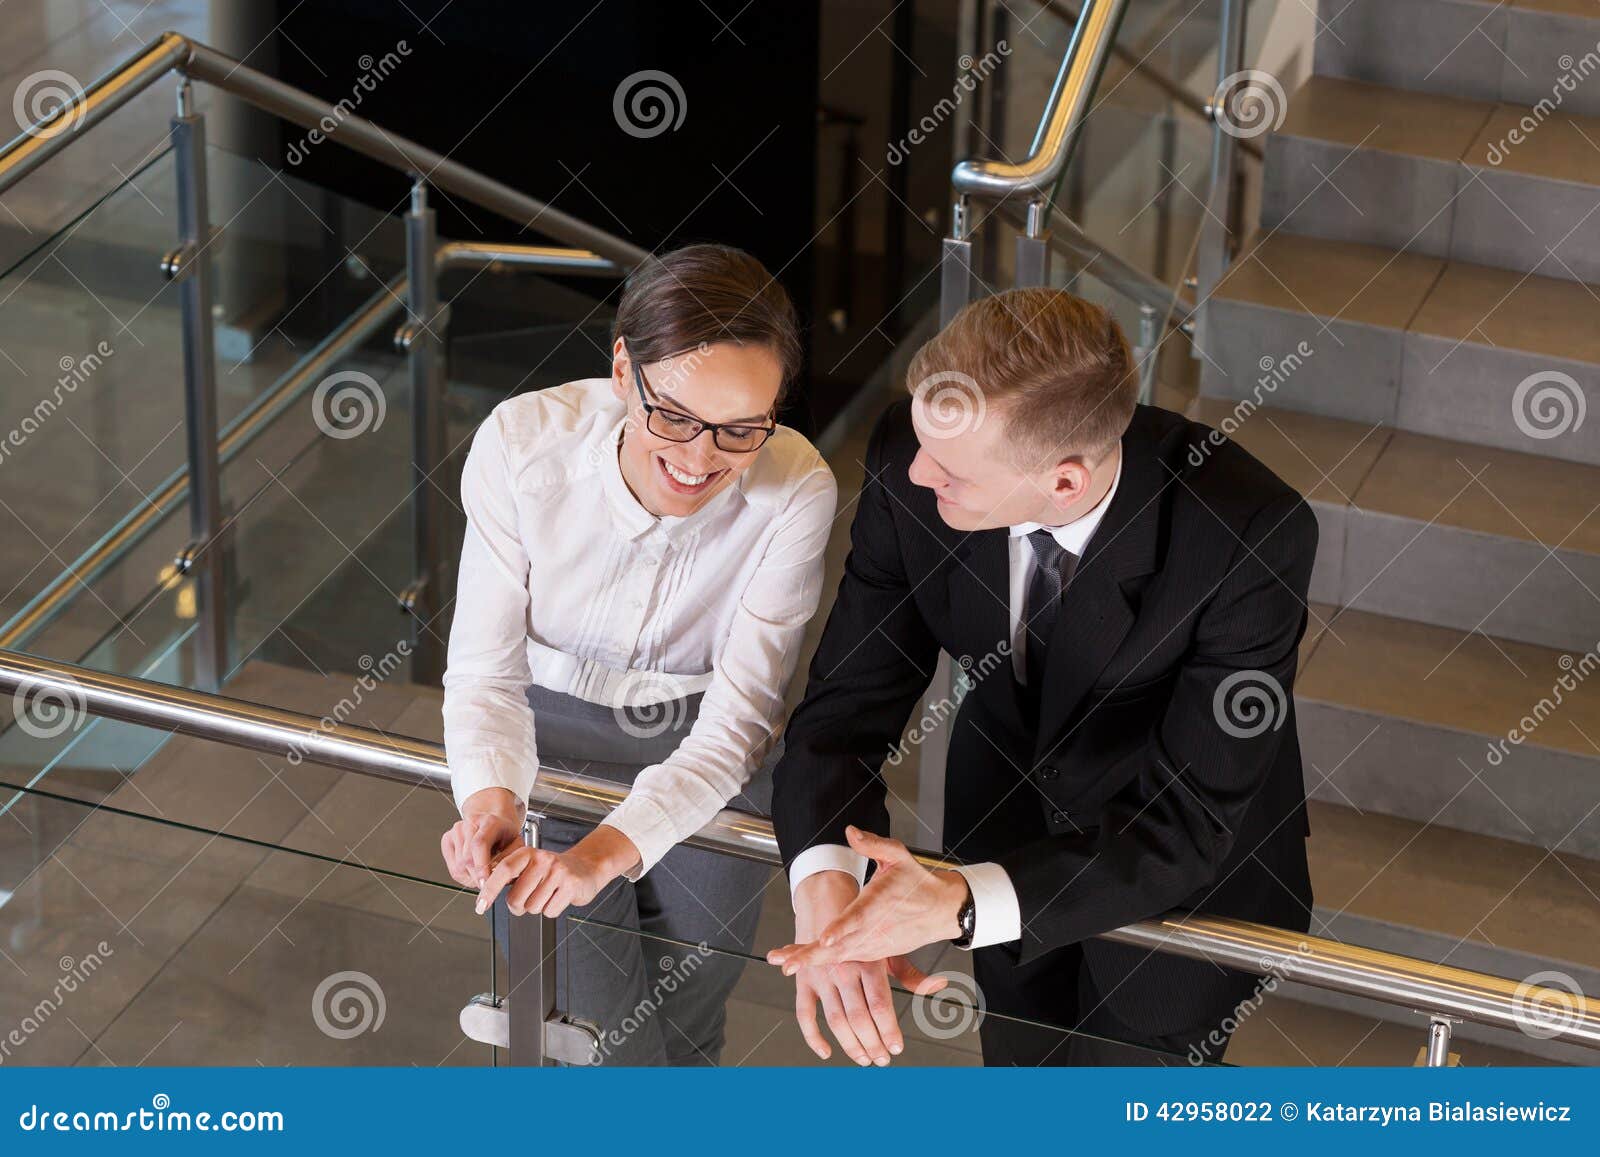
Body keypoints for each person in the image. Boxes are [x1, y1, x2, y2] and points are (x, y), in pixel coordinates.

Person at [765, 287, 1319, 1067]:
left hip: (1179, 887)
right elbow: (844, 710)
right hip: (1005, 824)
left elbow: (1190, 817)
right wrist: (826, 887)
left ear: (1063, 482)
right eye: (922, 439)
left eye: (951, 470)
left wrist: (959, 901)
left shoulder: (1248, 532)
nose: (918, 473)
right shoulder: (912, 455)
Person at [437, 243, 837, 1065]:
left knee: (688, 1031)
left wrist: (611, 851)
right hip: (544, 753)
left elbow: (738, 726)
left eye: (740, 430)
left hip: (711, 760)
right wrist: (488, 798)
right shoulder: (522, 443)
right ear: (624, 370)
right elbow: (484, 673)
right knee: (605, 1050)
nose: (699, 459)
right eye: (675, 416)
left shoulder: (798, 486)